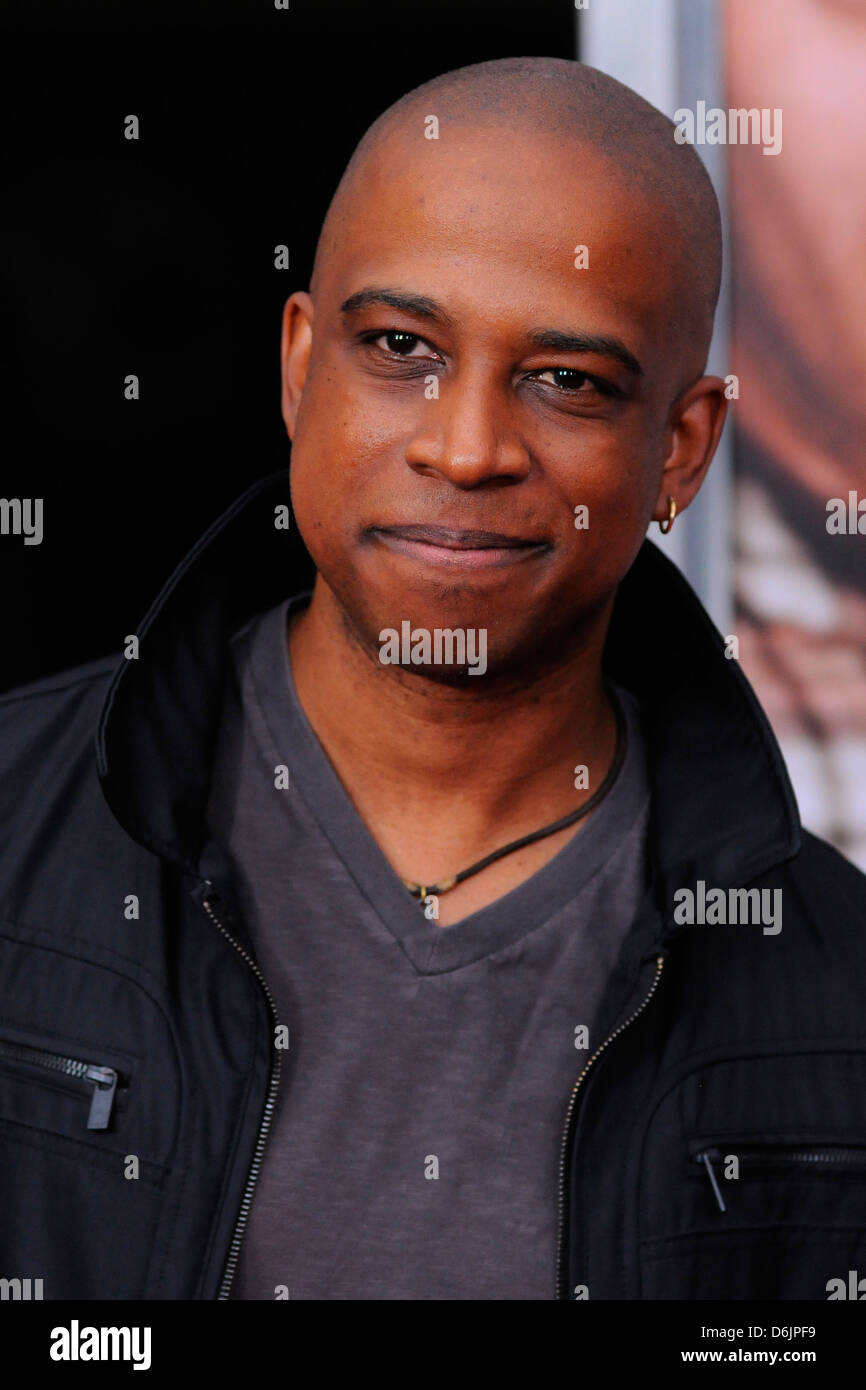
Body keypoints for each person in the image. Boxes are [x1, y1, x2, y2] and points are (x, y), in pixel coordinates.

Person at [2, 56, 866, 1303]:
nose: (464, 450)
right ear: (300, 367)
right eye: (400, 347)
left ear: (679, 453)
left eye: (566, 380)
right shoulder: (19, 823)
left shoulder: (827, 993)